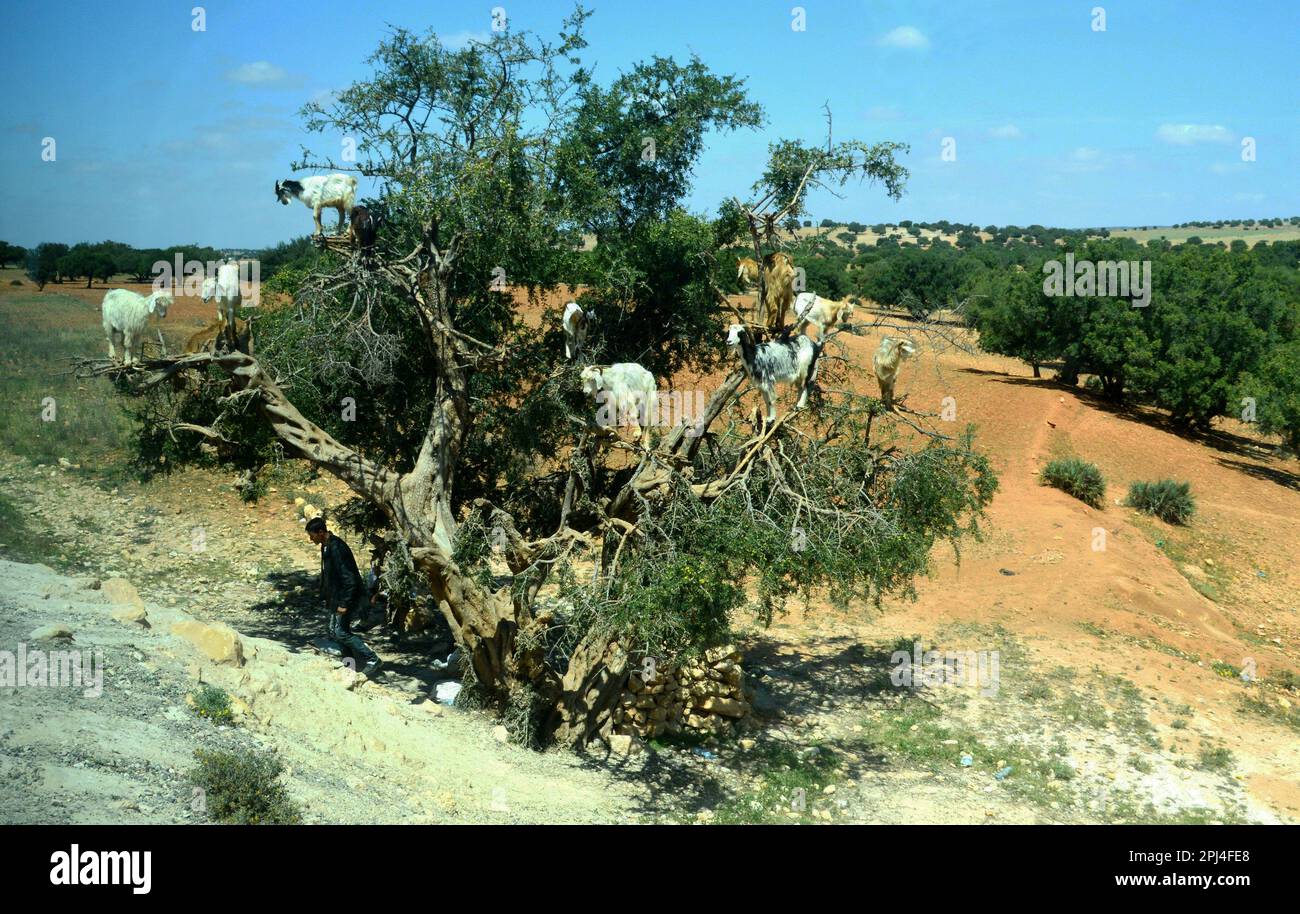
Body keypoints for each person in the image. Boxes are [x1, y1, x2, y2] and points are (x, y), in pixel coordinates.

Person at [306, 517, 383, 678]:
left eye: (312, 535)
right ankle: (349, 666)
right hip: (335, 597)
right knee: (336, 631)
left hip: (345, 598)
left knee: (339, 632)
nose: (310, 538)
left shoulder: (337, 548)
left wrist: (344, 603)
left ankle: (372, 659)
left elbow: (350, 579)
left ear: (321, 532)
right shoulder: (326, 546)